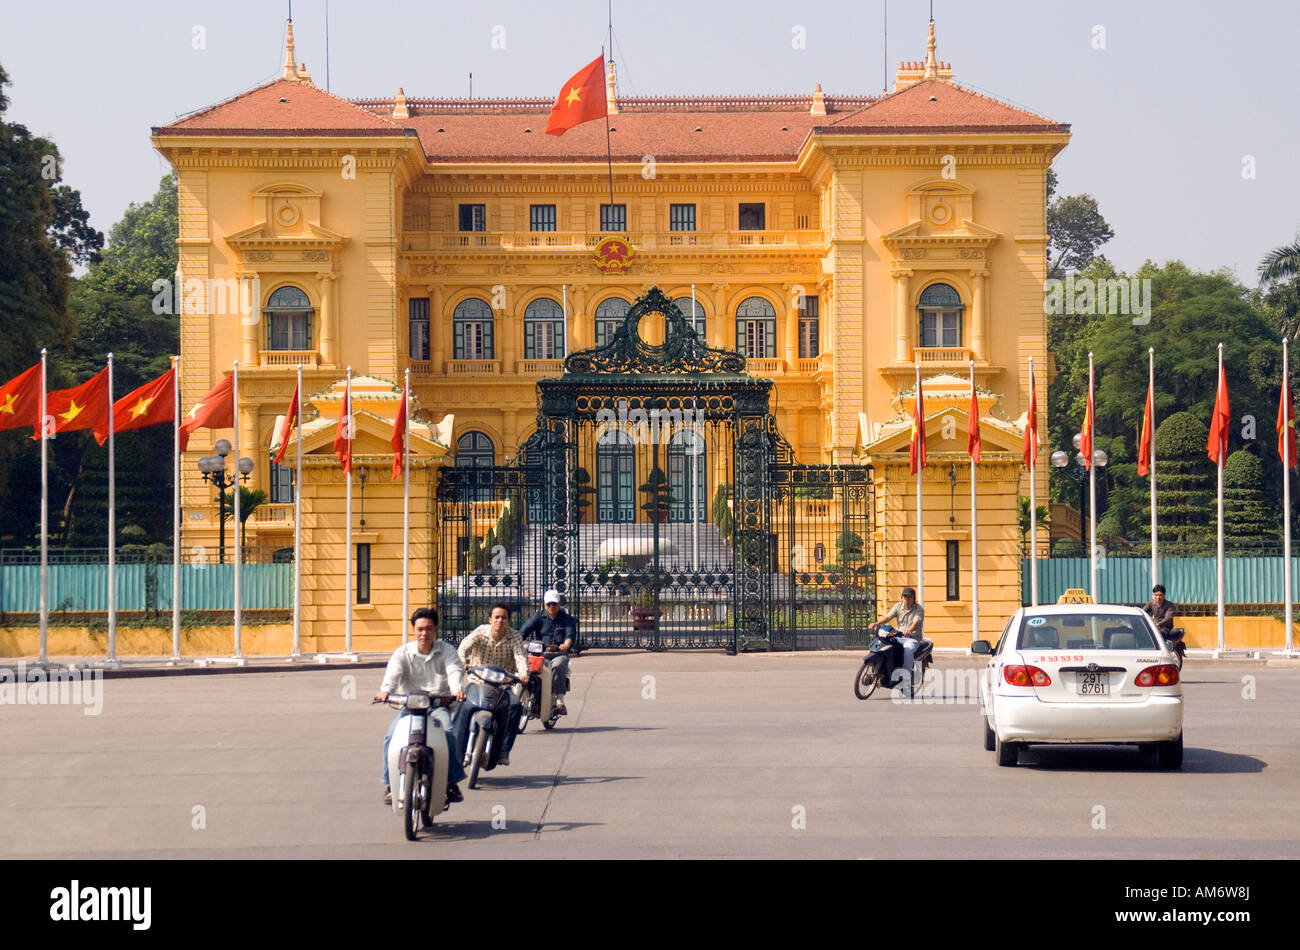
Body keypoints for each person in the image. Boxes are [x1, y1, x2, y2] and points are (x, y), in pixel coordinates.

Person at [375, 607, 467, 807]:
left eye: (429, 628)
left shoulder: (447, 651)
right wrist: (385, 691)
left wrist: (456, 689)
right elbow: (392, 674)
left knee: (449, 733)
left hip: (437, 707)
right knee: (390, 738)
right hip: (409, 708)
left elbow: (454, 670)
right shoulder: (403, 652)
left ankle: (451, 782)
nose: (424, 633)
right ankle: (390, 785)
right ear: (414, 630)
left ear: (436, 630)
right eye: (420, 629)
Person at [454, 603, 529, 767]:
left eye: (504, 617)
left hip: (502, 686)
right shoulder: (480, 631)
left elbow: (520, 657)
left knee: (515, 706)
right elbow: (463, 648)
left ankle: (504, 749)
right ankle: (455, 745)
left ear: (509, 620)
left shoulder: (515, 636)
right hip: (477, 681)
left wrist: (523, 674)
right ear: (490, 619)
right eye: (497, 617)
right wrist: (462, 662)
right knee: (462, 705)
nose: (500, 621)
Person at [517, 589, 577, 716]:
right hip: (539, 654)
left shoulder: (566, 619)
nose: (551, 607)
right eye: (548, 604)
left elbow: (570, 634)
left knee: (558, 666)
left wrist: (566, 644)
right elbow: (524, 631)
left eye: (554, 604)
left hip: (557, 655)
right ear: (544, 604)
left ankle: (560, 701)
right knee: (523, 667)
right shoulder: (538, 617)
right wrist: (518, 640)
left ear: (559, 605)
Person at [869, 587, 925, 687]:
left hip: (912, 638)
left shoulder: (918, 609)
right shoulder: (898, 606)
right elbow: (887, 617)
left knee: (907, 651)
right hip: (899, 636)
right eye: (905, 596)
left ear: (914, 599)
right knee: (885, 647)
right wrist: (876, 624)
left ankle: (905, 676)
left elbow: (915, 623)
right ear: (902, 598)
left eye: (910, 597)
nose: (907, 599)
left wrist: (909, 630)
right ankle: (885, 671)